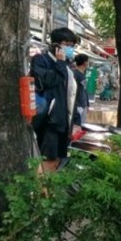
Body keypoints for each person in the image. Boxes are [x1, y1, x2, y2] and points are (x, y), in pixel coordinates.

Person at [30, 27, 82, 172]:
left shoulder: (68, 66)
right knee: (47, 161)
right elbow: (48, 81)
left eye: (72, 45)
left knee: (57, 161)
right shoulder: (41, 60)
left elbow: (71, 96)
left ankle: (50, 192)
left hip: (64, 123)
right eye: (66, 44)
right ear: (55, 44)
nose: (69, 48)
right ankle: (42, 193)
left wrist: (76, 121)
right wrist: (60, 63)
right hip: (49, 122)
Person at [73, 54, 90, 128]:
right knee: (77, 127)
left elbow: (84, 89)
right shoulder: (75, 74)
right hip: (77, 106)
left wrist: (87, 104)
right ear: (85, 63)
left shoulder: (83, 74)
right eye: (88, 61)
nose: (88, 63)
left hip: (83, 105)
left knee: (82, 127)